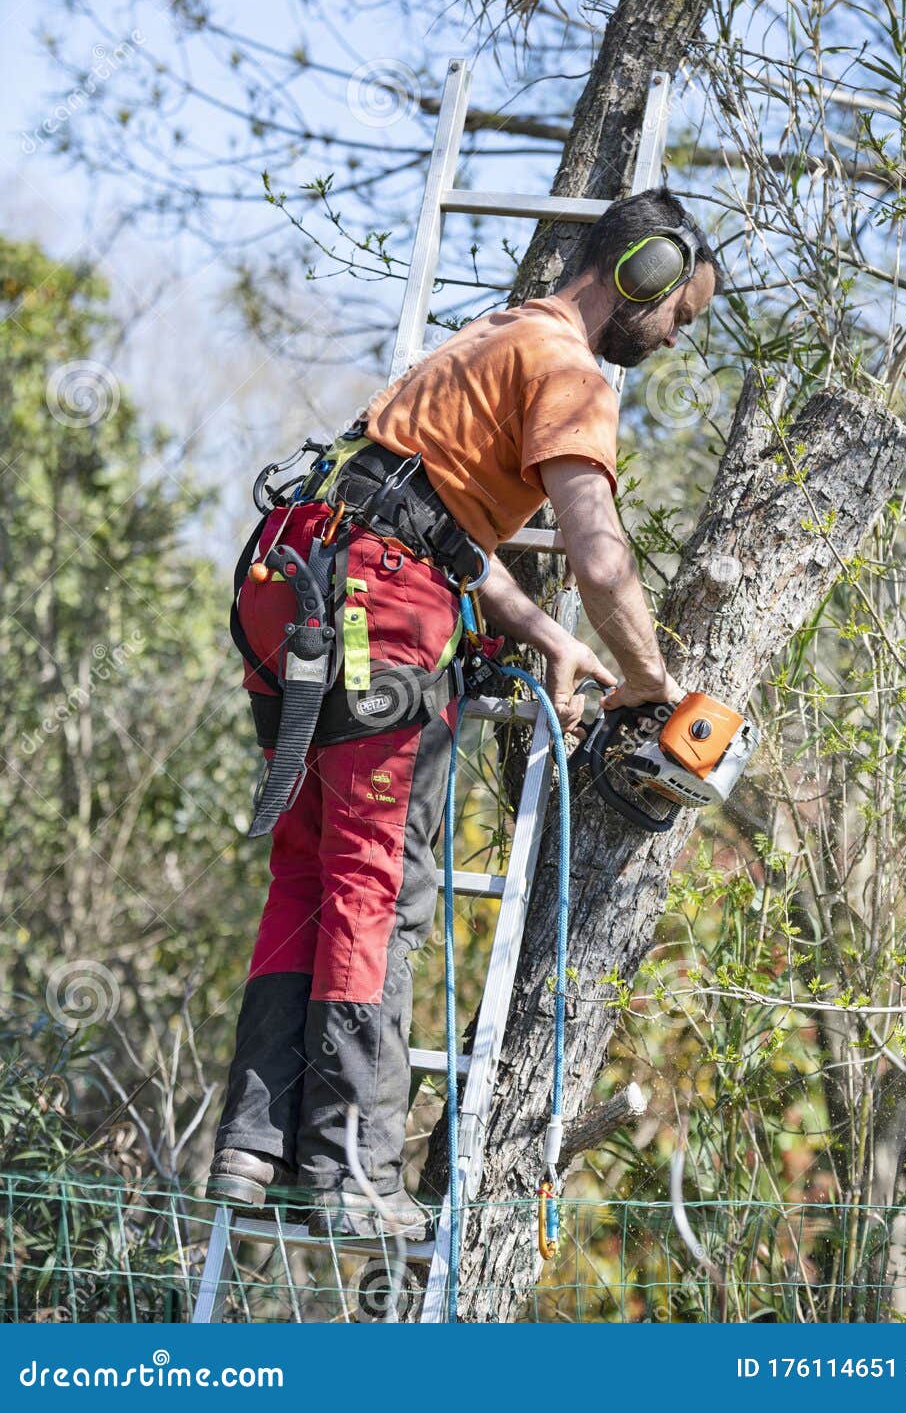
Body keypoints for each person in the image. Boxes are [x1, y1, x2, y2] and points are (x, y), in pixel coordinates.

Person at [206, 187, 720, 1238]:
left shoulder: (494, 335)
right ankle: (351, 1170)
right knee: (378, 877)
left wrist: (545, 633)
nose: (673, 336)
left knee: (311, 865)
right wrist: (645, 677)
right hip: (371, 604)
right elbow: (599, 548)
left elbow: (427, 516)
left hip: (291, 576)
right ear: (643, 276)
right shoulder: (571, 369)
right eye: (680, 312)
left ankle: (255, 1148)